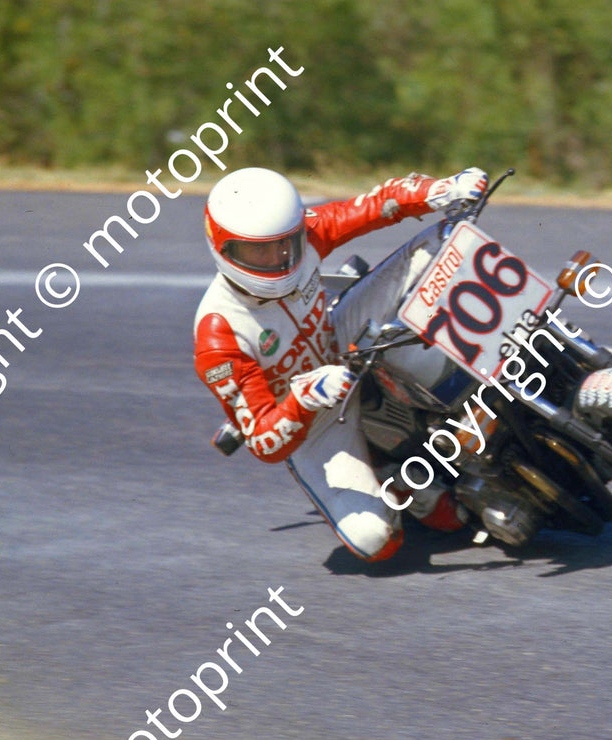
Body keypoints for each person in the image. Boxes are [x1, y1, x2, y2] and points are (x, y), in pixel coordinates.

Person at [193, 165, 488, 562]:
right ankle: (390, 474)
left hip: (341, 337)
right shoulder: (219, 334)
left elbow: (375, 205)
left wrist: (441, 189)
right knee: (375, 541)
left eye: (286, 243)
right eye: (257, 250)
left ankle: (554, 343)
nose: (278, 257)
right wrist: (305, 398)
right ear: (223, 249)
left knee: (446, 240)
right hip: (312, 419)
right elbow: (264, 443)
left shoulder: (307, 235)